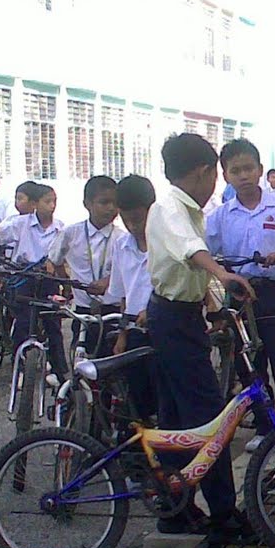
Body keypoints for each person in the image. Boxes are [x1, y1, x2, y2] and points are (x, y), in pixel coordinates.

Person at [145, 133, 255, 536]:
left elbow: (186, 268)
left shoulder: (187, 209)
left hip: (181, 315)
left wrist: (212, 304)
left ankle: (175, 508)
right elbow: (190, 250)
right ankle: (224, 513)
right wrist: (222, 274)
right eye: (216, 175)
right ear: (204, 172)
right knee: (209, 417)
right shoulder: (169, 208)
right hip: (172, 321)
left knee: (176, 418)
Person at [207, 138, 275, 440]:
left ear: (259, 170)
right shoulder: (221, 216)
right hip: (239, 297)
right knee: (249, 364)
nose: (243, 175)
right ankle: (265, 426)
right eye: (235, 170)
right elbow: (202, 251)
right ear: (226, 175)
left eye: (248, 168)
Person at [50, 174, 126, 355]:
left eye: (115, 203)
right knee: (81, 354)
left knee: (110, 358)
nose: (111, 208)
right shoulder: (71, 233)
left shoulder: (123, 238)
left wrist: (107, 281)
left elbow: (127, 272)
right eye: (104, 202)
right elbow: (55, 259)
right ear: (87, 204)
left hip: (112, 309)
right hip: (83, 309)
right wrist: (66, 283)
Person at [0, 182, 67, 375]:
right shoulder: (21, 223)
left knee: (52, 323)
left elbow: (62, 257)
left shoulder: (60, 228)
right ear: (35, 204)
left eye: (54, 201)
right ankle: (19, 366)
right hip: (25, 276)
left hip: (48, 280)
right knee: (23, 322)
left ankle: (59, 370)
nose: (52, 206)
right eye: (47, 201)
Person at [107, 174, 158, 419]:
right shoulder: (121, 245)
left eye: (137, 219)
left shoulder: (166, 243)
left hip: (163, 328)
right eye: (125, 220)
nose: (132, 226)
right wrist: (122, 335)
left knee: (164, 393)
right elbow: (124, 297)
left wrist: (153, 312)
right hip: (134, 330)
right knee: (138, 393)